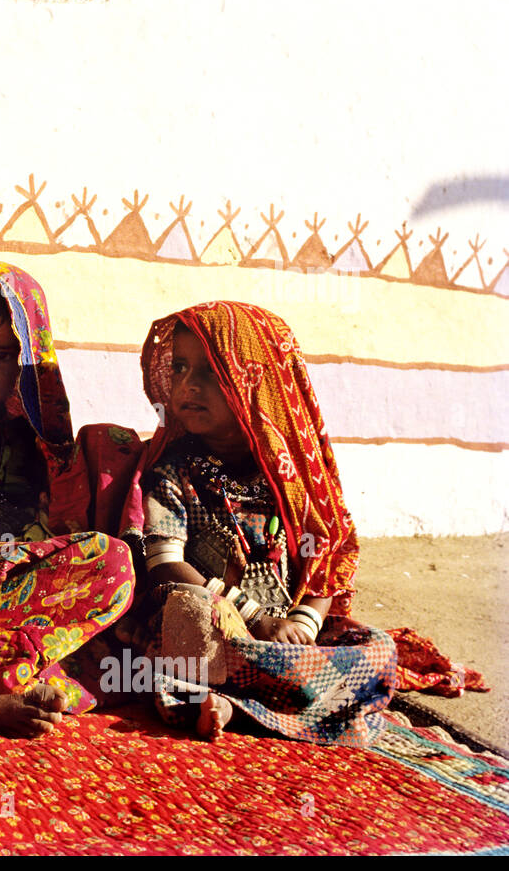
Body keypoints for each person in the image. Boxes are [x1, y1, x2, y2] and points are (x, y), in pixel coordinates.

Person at [129, 300, 396, 744]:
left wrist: (304, 625)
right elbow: (162, 562)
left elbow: (324, 564)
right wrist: (253, 619)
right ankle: (267, 699)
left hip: (285, 637)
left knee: (379, 649)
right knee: (188, 616)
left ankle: (238, 703)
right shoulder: (174, 471)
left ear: (260, 383)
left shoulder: (294, 478)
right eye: (179, 367)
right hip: (222, 632)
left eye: (211, 372)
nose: (187, 385)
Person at [0, 259, 135, 735]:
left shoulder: (37, 443)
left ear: (30, 356)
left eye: (3, 356)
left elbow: (61, 545)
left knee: (113, 561)